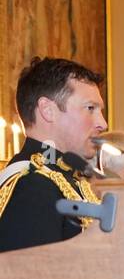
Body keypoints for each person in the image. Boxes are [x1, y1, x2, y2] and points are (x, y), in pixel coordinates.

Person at [0, 56, 106, 252]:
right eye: (90, 108)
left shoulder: (71, 182)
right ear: (48, 110)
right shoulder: (31, 186)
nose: (103, 123)